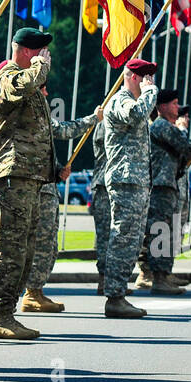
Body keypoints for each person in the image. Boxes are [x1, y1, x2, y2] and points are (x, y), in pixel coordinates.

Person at [0, 28, 67, 338]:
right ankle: (0, 315)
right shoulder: (8, 77)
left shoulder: (31, 84)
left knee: (24, 249)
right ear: (29, 53)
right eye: (42, 52)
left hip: (29, 178)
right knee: (9, 247)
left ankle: (9, 312)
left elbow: (40, 135)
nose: (47, 58)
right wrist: (39, 67)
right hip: (10, 177)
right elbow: (23, 84)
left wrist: (52, 170)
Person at [21, 89, 99, 312]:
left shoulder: (36, 107)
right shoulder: (31, 106)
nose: (46, 92)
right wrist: (93, 118)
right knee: (40, 242)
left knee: (48, 244)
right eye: (43, 88)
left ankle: (35, 291)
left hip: (46, 184)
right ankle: (31, 292)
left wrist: (56, 171)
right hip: (38, 187)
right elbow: (62, 131)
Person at [101, 58, 159, 318]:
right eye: (146, 77)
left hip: (135, 182)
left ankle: (119, 293)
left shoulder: (135, 101)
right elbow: (135, 116)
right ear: (133, 78)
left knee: (133, 241)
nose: (151, 82)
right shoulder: (121, 101)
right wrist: (150, 94)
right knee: (123, 237)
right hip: (125, 181)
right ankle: (114, 296)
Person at [144, 88, 191, 295]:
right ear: (163, 106)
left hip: (168, 185)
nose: (177, 107)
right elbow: (187, 147)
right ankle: (158, 278)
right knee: (160, 232)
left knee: (166, 232)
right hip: (160, 186)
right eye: (174, 103)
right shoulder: (161, 126)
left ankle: (163, 275)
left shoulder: (165, 126)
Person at [89, 121, 110, 295]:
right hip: (104, 184)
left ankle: (112, 280)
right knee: (105, 236)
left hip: (112, 183)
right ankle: (104, 279)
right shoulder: (105, 123)